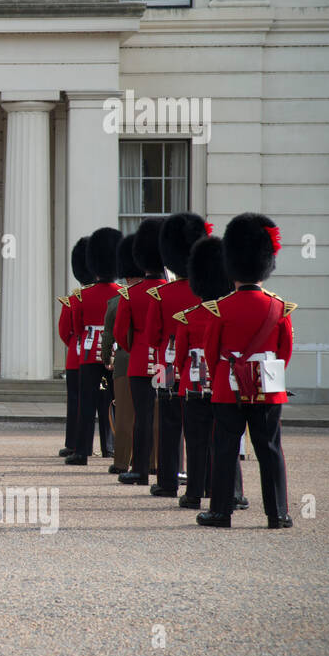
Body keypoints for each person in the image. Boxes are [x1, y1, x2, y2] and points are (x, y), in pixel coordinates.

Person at [198, 214, 295, 530]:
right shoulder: (278, 308)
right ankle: (277, 514)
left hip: (229, 387)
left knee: (226, 449)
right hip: (267, 385)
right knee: (269, 449)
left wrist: (221, 378)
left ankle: (221, 512)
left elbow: (212, 352)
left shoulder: (220, 308)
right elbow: (285, 352)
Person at [174, 235, 244, 510]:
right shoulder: (229, 313)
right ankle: (233, 492)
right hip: (225, 384)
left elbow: (180, 357)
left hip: (193, 383)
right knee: (227, 440)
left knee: (196, 439)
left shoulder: (189, 316)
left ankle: (194, 492)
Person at [146, 212, 211, 497]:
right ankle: (207, 481)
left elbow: (151, 336)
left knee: (169, 423)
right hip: (204, 364)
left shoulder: (162, 294)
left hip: (167, 364)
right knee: (204, 427)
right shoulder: (208, 294)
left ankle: (168, 481)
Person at [114, 217, 167, 486]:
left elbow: (120, 333)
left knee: (142, 417)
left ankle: (140, 470)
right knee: (168, 417)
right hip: (168, 361)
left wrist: (134, 348)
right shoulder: (172, 292)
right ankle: (168, 468)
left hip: (138, 360)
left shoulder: (131, 294)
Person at [65, 226, 121, 466]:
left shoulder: (81, 295)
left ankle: (81, 451)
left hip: (88, 351)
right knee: (113, 401)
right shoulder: (122, 293)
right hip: (115, 353)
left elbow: (77, 328)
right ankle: (114, 448)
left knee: (86, 403)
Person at [101, 234, 140, 474]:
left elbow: (110, 335)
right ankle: (153, 461)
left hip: (126, 361)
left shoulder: (118, 301)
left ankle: (122, 461)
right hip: (158, 363)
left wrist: (107, 359)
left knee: (125, 415)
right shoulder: (159, 295)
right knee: (154, 416)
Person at [57, 237, 92, 457]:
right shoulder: (118, 293)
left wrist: (74, 342)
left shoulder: (76, 297)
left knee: (77, 401)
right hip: (110, 356)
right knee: (108, 401)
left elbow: (64, 330)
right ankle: (110, 445)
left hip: (77, 355)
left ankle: (74, 443)